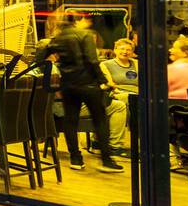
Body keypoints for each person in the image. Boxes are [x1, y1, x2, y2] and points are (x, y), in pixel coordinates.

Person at [36, 13, 124, 173]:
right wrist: (103, 80)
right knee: (100, 120)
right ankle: (106, 160)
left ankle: (75, 159)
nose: (88, 22)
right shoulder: (85, 35)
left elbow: (40, 57)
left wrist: (50, 50)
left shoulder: (58, 38)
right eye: (86, 19)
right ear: (77, 21)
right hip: (88, 84)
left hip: (68, 84)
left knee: (71, 121)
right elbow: (92, 60)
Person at [98, 39, 138, 156]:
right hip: (117, 93)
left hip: (138, 94)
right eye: (122, 49)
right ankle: (117, 145)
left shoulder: (137, 64)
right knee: (130, 100)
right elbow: (109, 83)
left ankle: (141, 141)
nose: (125, 52)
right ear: (115, 50)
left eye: (128, 49)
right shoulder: (106, 64)